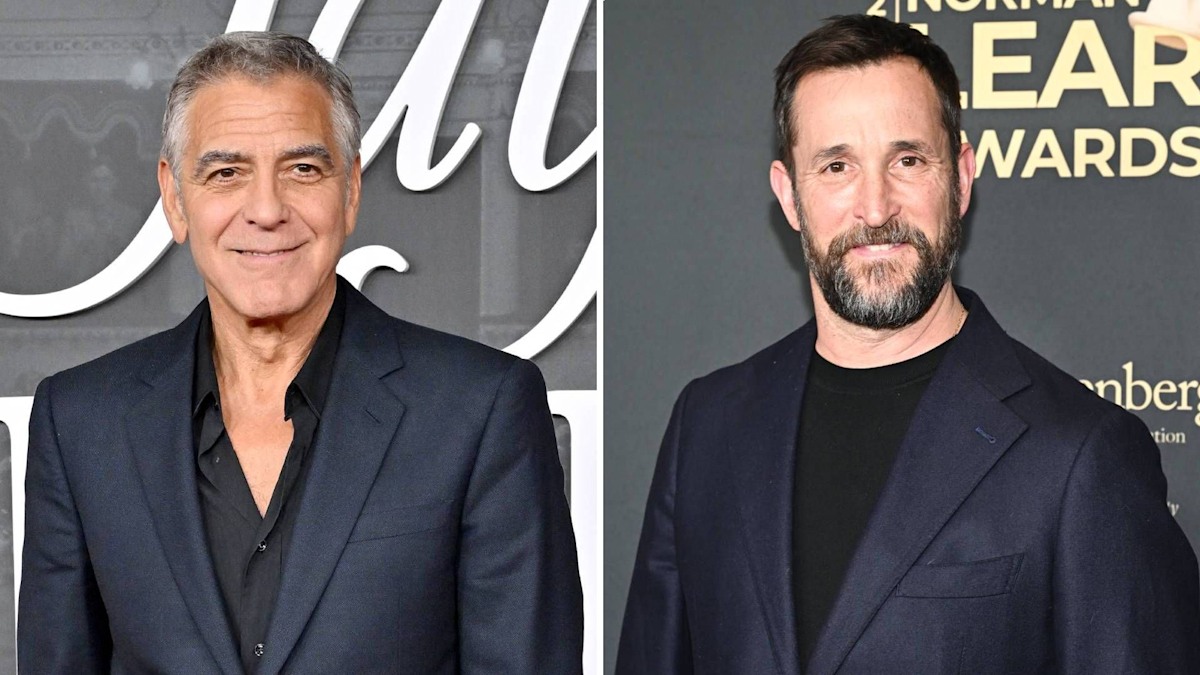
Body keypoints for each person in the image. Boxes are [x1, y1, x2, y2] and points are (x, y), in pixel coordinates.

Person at [616, 15, 1199, 674]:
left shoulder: (1081, 453)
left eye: (908, 161)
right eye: (837, 166)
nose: (875, 207)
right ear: (790, 195)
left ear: (961, 179)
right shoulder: (707, 426)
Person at [19, 32, 582, 674]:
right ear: (175, 199)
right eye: (226, 173)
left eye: (303, 170)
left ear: (351, 191)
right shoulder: (81, 423)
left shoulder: (480, 411)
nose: (266, 210)